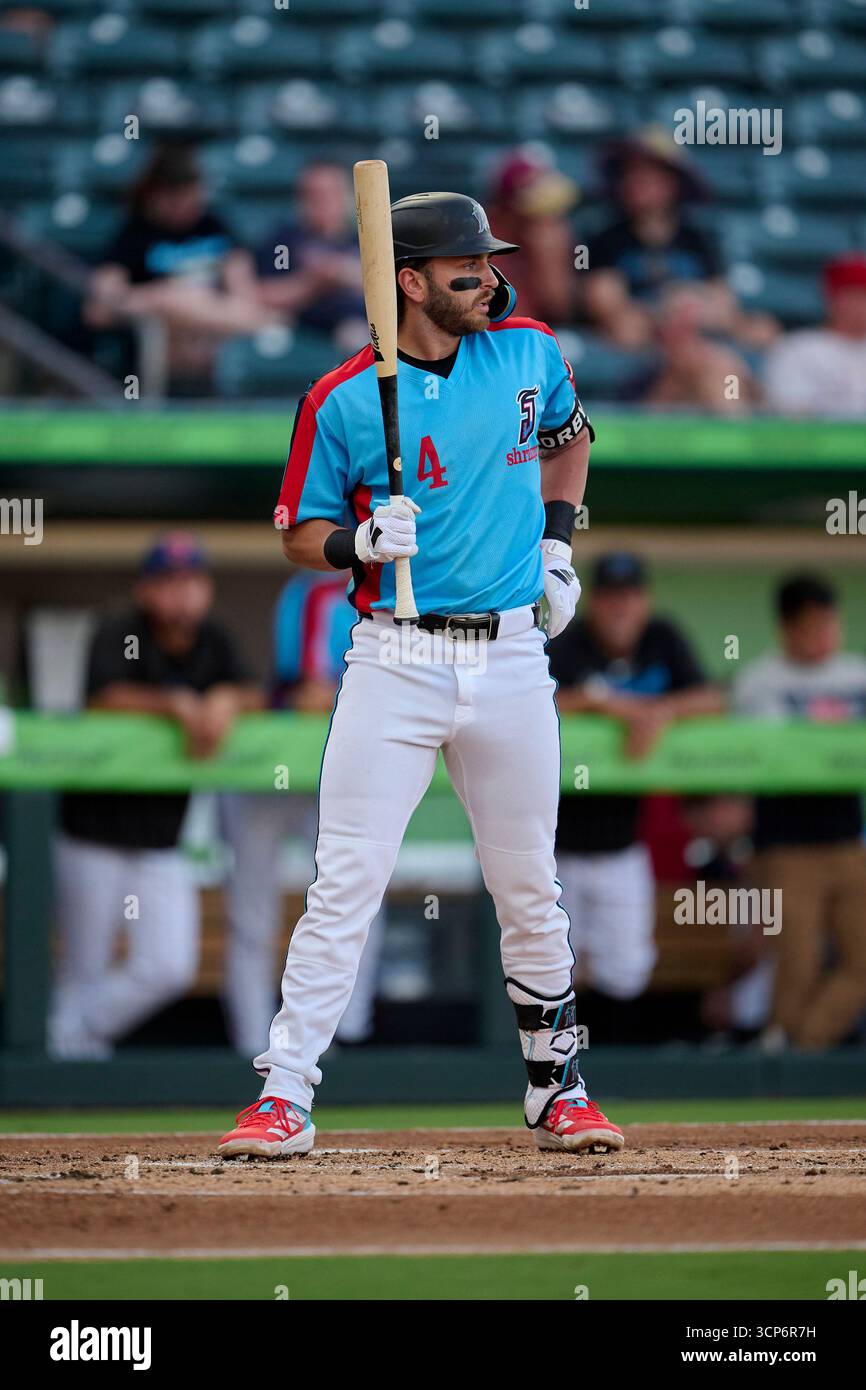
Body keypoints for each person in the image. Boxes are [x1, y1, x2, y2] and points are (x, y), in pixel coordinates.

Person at [220, 190, 624, 1158]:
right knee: (345, 878)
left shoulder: (525, 348)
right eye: (463, 266)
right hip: (394, 652)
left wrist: (557, 550)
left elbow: (568, 442)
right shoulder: (342, 395)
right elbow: (295, 535)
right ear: (406, 280)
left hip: (512, 652)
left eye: (488, 262)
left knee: (528, 882)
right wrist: (354, 541)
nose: (485, 277)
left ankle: (555, 1086)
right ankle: (283, 1092)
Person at [49, 532, 263, 1058]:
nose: (180, 594)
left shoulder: (213, 640)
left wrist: (222, 699)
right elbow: (103, 696)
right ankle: (70, 1059)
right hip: (91, 830)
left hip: (162, 837)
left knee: (168, 966)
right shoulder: (121, 629)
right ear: (146, 589)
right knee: (85, 960)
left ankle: (70, 1032)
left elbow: (254, 690)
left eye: (191, 581)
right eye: (168, 582)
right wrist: (175, 705)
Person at [220, 569, 385, 1055]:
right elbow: (311, 692)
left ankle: (340, 1037)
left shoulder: (404, 586)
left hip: (339, 769)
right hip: (277, 765)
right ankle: (255, 1049)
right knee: (254, 913)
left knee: (356, 896)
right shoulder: (318, 588)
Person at [548, 553, 723, 1011]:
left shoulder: (661, 637)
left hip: (624, 843)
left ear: (644, 601)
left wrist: (661, 712)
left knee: (626, 970)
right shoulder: (569, 639)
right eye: (609, 598)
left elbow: (710, 698)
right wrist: (608, 704)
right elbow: (532, 699)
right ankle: (555, 1075)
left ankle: (602, 1071)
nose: (620, 608)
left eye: (630, 597)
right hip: (552, 845)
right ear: (594, 602)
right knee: (548, 973)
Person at [733, 573, 866, 1050]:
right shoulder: (761, 682)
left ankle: (797, 1050)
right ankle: (778, 1061)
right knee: (797, 962)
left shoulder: (857, 675)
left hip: (849, 842)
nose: (823, 636)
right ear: (787, 628)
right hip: (787, 846)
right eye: (811, 625)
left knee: (860, 964)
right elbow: (778, 756)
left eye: (831, 624)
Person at [84, 145, 269, 391]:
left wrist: (187, 303)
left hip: (218, 341)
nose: (189, 208)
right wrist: (160, 298)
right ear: (159, 196)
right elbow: (98, 309)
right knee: (169, 304)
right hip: (162, 346)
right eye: (180, 200)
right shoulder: (134, 234)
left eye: (195, 199)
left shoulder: (214, 226)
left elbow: (246, 301)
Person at [585, 126, 775, 355]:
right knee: (627, 329)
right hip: (647, 333)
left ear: (673, 184)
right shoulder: (605, 237)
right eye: (631, 174)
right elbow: (604, 303)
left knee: (763, 328)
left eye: (650, 175)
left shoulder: (698, 237)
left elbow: (724, 306)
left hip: (697, 325)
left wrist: (688, 306)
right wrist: (664, 311)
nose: (638, 182)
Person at [255, 160, 367, 352]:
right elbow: (264, 295)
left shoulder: (365, 237)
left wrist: (342, 271)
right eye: (313, 194)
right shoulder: (285, 241)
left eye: (330, 193)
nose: (322, 202)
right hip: (300, 326)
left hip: (355, 324)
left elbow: (392, 288)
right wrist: (313, 282)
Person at [763, 252, 866, 418]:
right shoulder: (797, 349)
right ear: (832, 297)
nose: (862, 304)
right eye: (855, 295)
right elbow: (791, 416)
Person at [486, 148, 579, 323]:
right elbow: (511, 317)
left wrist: (548, 260)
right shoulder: (487, 239)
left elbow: (560, 309)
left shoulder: (551, 233)